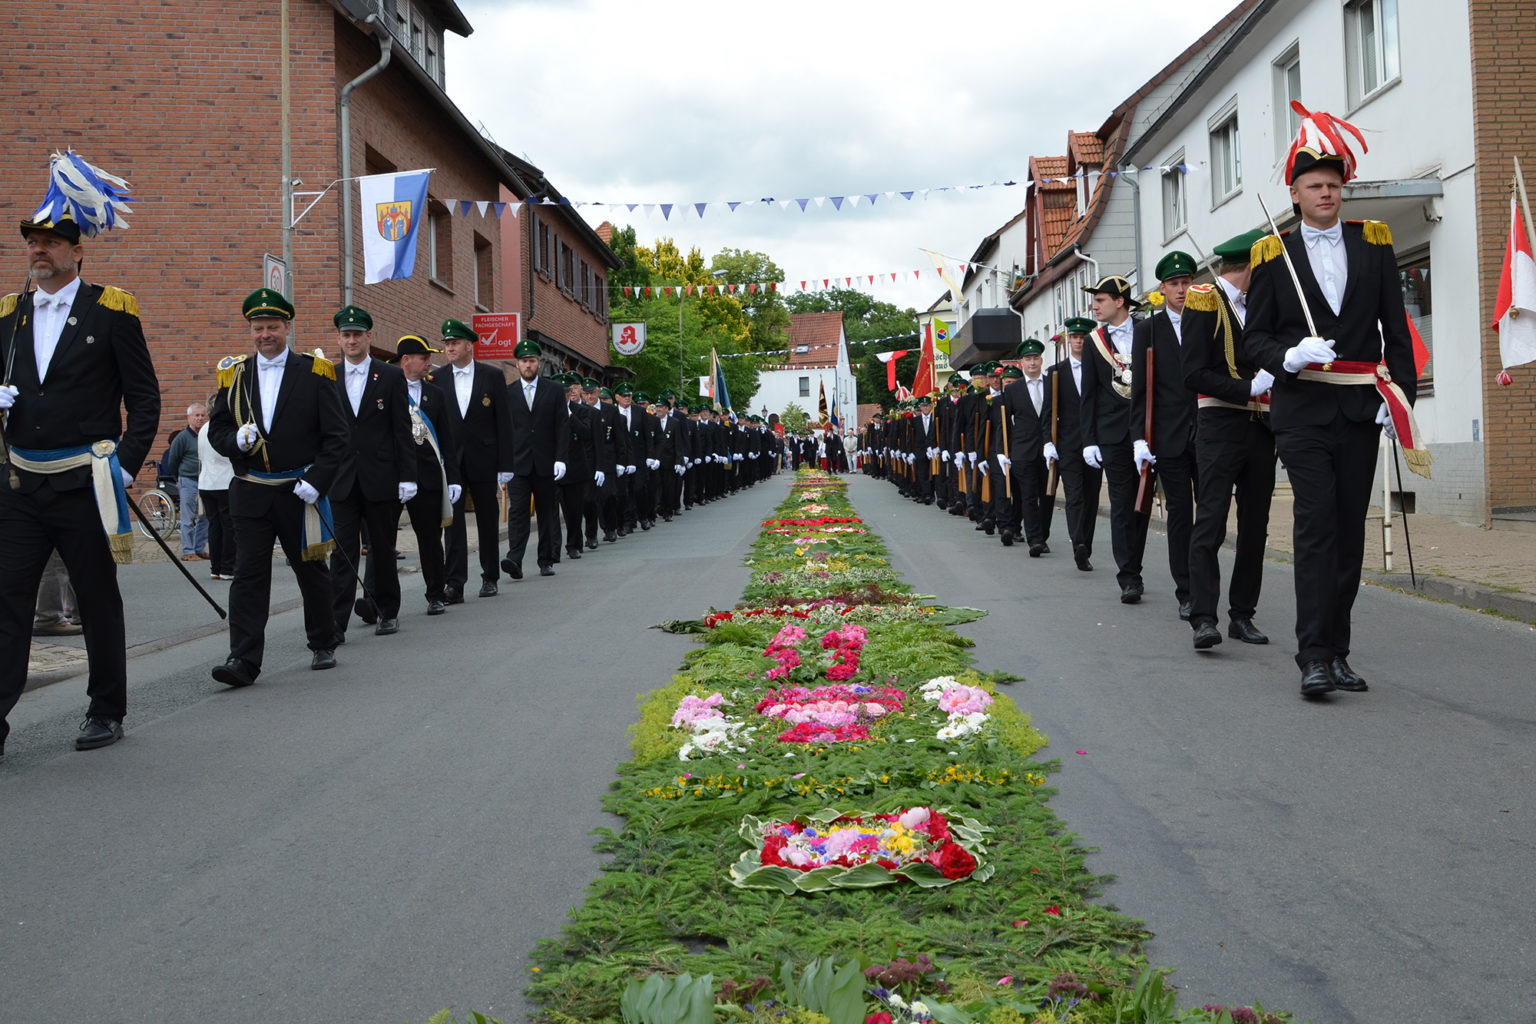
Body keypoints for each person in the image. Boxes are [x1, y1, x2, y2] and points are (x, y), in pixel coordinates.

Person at [1243, 103, 1420, 699]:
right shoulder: (1273, 255)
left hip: (1360, 409)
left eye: (1334, 185)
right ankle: (1312, 656)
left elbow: (1396, 330)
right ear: (1294, 194)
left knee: (1348, 533)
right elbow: (1254, 339)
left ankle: (1338, 650)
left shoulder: (1373, 245)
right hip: (1302, 411)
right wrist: (1289, 356)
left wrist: (1400, 399)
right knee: (1316, 526)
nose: (1326, 194)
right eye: (1315, 186)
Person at [0, 163, 161, 754]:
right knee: (8, 602)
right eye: (32, 241)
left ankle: (106, 708)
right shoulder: (8, 314)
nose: (38, 250)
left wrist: (124, 466)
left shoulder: (110, 310)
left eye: (50, 242)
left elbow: (144, 399)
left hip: (85, 481)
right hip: (19, 483)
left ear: (77, 251)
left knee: (96, 599)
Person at [207, 289, 347, 687]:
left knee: (310, 569)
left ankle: (323, 641)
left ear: (287, 327)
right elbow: (217, 429)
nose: (264, 334)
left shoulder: (315, 372)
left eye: (272, 327)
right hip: (250, 490)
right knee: (248, 574)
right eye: (258, 328)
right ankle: (243, 659)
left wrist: (317, 481)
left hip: (298, 490)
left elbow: (337, 437)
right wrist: (235, 441)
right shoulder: (235, 374)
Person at [1180, 230, 1275, 651]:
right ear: (1251, 267)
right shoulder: (1205, 300)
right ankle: (1203, 617)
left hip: (1261, 427)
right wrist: (1247, 388)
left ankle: (1242, 615)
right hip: (1219, 424)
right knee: (1212, 521)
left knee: (1256, 527)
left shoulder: (1260, 306)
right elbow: (1193, 373)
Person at [327, 305, 416, 640]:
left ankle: (386, 611)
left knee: (382, 548)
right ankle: (335, 623)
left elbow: (401, 429)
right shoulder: (327, 375)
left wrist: (408, 476)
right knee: (342, 552)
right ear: (339, 339)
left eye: (357, 335)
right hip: (341, 479)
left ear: (369, 337)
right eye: (346, 335)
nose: (351, 340)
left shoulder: (389, 375)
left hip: (381, 477)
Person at [1130, 252, 1200, 619]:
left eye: (1186, 282)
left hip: (1207, 431)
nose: (1181, 289)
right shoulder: (1149, 329)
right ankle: (1187, 591)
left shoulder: (1207, 319)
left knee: (1211, 512)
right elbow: (1141, 388)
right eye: (1174, 284)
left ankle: (1205, 583)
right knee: (1180, 512)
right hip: (1168, 436)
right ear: (1163, 288)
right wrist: (1139, 437)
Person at [1080, 275, 1149, 603]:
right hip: (1112, 435)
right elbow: (1089, 393)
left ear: (1120, 301)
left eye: (1101, 300)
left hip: (1147, 432)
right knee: (1121, 505)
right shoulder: (1094, 341)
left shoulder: (1148, 331)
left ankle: (1136, 565)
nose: (1094, 306)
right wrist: (1089, 439)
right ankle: (1128, 577)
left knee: (1142, 504)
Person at [436, 318, 514, 601]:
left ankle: (490, 576)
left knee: (487, 520)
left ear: (469, 345)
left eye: (455, 343)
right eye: (447, 344)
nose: (450, 348)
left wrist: (506, 464)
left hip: (485, 458)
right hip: (452, 462)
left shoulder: (491, 376)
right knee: (453, 525)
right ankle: (454, 583)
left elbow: (504, 422)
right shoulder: (438, 377)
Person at [392, 334, 461, 615]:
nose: (429, 363)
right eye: (424, 358)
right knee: (382, 542)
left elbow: (447, 440)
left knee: (431, 540)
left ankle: (435, 593)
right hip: (394, 476)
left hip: (429, 477)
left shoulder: (436, 393)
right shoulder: (388, 388)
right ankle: (376, 600)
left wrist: (453, 478)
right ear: (406, 360)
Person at [502, 338, 569, 578]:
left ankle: (546, 559)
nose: (527, 365)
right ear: (517, 364)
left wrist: (561, 458)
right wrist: (502, 464)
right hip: (518, 463)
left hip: (546, 462)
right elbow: (504, 430)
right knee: (518, 512)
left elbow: (562, 426)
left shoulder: (554, 390)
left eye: (531, 361)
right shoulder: (508, 393)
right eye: (523, 361)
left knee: (547, 512)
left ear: (538, 363)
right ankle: (515, 559)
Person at [1042, 318, 1101, 571]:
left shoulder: (1100, 366)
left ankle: (1086, 546)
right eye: (1075, 337)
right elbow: (1048, 412)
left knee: (1091, 497)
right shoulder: (1056, 372)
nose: (1079, 341)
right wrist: (1048, 442)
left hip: (1095, 444)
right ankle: (1078, 543)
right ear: (1068, 340)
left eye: (1083, 337)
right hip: (1068, 444)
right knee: (1074, 495)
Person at [1003, 340, 1052, 554]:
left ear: (1041, 360)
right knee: (1029, 496)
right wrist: (1003, 452)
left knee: (1047, 496)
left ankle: (1043, 535)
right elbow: (1004, 423)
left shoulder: (1052, 383)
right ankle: (1035, 539)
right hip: (1022, 450)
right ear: (1021, 362)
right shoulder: (1013, 389)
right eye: (1028, 359)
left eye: (1035, 358)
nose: (1032, 362)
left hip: (1049, 449)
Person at [555, 372, 597, 562]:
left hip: (574, 467)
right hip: (551, 467)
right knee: (550, 512)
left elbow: (586, 433)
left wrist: (569, 414)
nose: (566, 394)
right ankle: (552, 549)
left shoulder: (581, 411)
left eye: (568, 391)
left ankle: (574, 544)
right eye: (561, 392)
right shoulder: (546, 410)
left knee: (573, 511)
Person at [198, 395, 237, 580]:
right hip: (224, 481)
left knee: (214, 526)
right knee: (229, 526)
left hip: (206, 482)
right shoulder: (224, 429)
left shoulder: (203, 428)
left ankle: (216, 567)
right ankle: (227, 568)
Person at [163, 403, 209, 559]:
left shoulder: (206, 435)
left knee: (205, 516)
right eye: (196, 415)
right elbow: (173, 460)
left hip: (205, 481)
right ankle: (188, 551)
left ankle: (199, 548)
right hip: (188, 480)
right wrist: (178, 478)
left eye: (202, 415)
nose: (200, 418)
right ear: (189, 417)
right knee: (188, 517)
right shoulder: (182, 437)